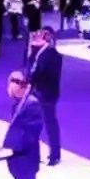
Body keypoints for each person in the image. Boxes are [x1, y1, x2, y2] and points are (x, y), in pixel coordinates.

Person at [4, 71, 46, 179]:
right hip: (18, 156)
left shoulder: (31, 105)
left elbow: (32, 133)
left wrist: (13, 144)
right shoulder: (19, 103)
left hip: (26, 158)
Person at [27, 27, 63, 167]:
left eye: (40, 35)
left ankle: (55, 153)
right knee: (33, 121)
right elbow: (30, 67)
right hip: (36, 91)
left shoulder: (53, 55)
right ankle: (33, 152)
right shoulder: (37, 52)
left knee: (49, 123)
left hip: (47, 92)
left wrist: (33, 78)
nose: (36, 37)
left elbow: (43, 73)